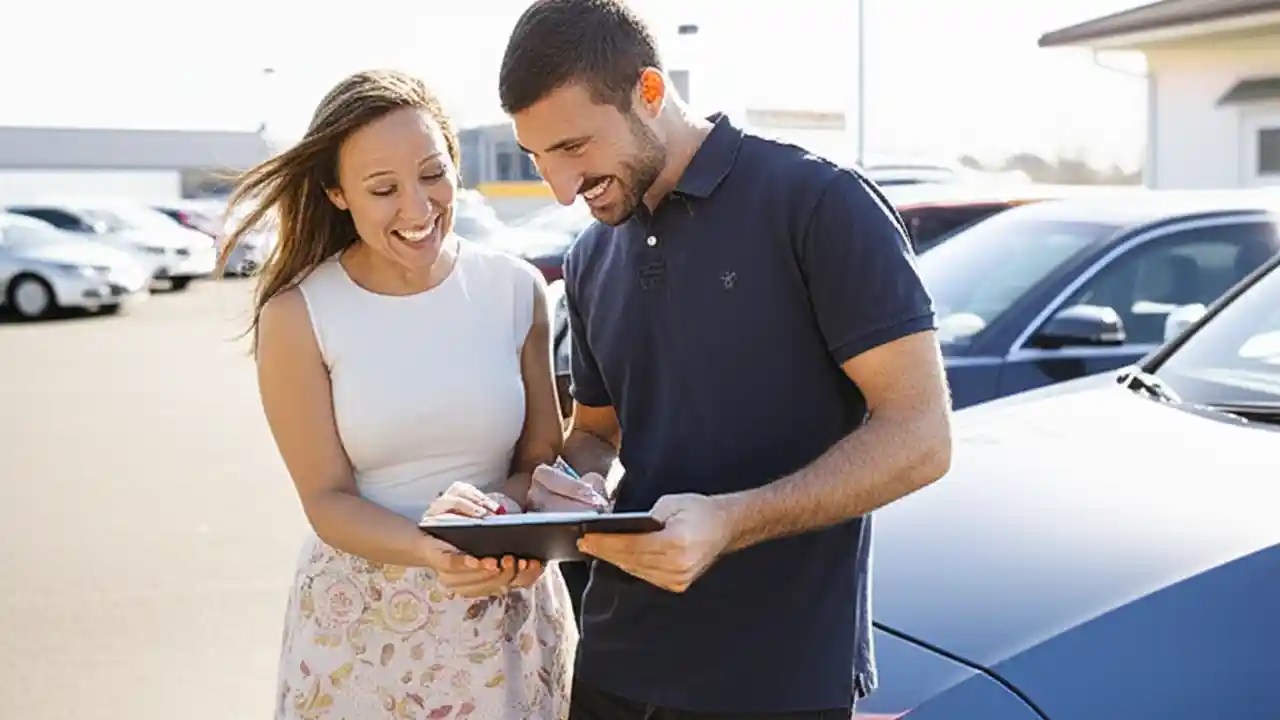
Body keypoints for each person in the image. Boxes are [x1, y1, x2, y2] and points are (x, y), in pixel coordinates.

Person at [499, 2, 954, 718]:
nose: (560, 188)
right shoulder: (590, 257)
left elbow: (922, 438)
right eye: (539, 157)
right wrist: (568, 489)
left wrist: (731, 521)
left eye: (574, 147)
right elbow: (596, 432)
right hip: (614, 666)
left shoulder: (819, 204)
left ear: (649, 93)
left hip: (776, 681)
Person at [220, 69, 576, 719]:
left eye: (433, 175)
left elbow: (539, 463)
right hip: (359, 623)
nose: (417, 209)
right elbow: (325, 499)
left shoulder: (517, 289)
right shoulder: (299, 314)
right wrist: (432, 547)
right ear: (337, 193)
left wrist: (506, 526)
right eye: (383, 189)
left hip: (504, 612)